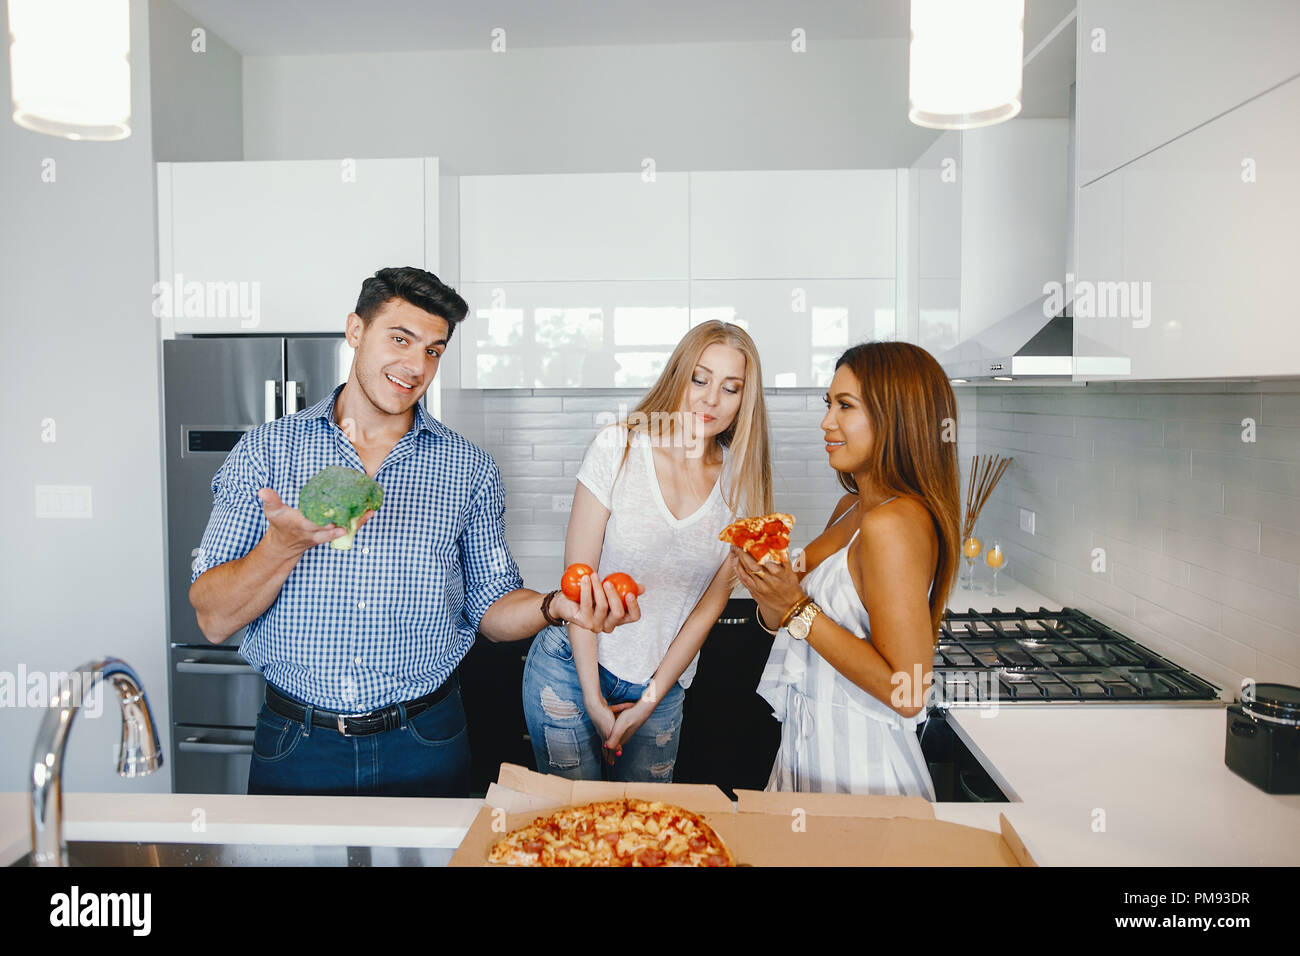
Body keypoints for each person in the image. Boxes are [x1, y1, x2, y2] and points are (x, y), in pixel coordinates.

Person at [188, 266, 638, 798]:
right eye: (400, 339)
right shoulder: (266, 453)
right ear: (355, 331)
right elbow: (213, 618)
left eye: (433, 350)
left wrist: (553, 608)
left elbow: (491, 608)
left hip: (424, 738)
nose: (415, 365)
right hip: (297, 741)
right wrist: (280, 548)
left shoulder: (468, 469)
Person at [522, 321, 774, 782]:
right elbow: (578, 581)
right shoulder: (618, 448)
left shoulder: (742, 485)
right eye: (700, 379)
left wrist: (650, 700)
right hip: (570, 671)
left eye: (731, 388)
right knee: (572, 831)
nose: (711, 399)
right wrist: (595, 701)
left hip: (662, 688)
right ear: (678, 376)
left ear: (744, 400)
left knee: (645, 833)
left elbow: (707, 607)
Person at [731, 341, 960, 798]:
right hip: (808, 752)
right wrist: (767, 586)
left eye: (845, 406)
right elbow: (785, 613)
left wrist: (795, 608)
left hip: (862, 771)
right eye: (828, 403)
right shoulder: (852, 508)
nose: (826, 422)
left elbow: (907, 691)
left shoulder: (892, 525)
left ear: (896, 417)